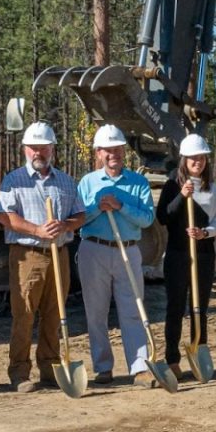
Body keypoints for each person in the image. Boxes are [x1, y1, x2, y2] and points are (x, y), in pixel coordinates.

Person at [0, 121, 84, 392]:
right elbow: (4, 216)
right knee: (24, 314)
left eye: (43, 148)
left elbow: (80, 215)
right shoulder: (13, 180)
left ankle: (50, 368)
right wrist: (36, 229)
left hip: (60, 254)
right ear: (25, 149)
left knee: (55, 314)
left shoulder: (67, 182)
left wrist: (66, 226)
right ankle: (19, 372)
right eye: (33, 148)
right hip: (28, 255)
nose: (38, 153)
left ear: (52, 149)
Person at [76, 124, 157, 386]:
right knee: (96, 312)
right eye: (108, 150)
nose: (114, 154)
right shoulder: (88, 183)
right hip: (94, 250)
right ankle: (103, 367)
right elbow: (77, 220)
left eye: (118, 149)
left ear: (124, 151)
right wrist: (98, 208)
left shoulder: (138, 182)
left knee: (133, 308)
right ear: (98, 153)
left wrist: (120, 206)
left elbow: (146, 219)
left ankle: (139, 367)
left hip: (128, 250)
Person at [156, 133, 216, 376]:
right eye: (193, 158)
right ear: (184, 160)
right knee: (175, 307)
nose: (198, 162)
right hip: (177, 254)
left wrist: (204, 233)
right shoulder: (172, 186)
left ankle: (198, 351)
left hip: (204, 255)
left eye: (202, 157)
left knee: (199, 308)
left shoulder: (213, 190)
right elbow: (163, 217)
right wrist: (181, 197)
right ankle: (172, 360)